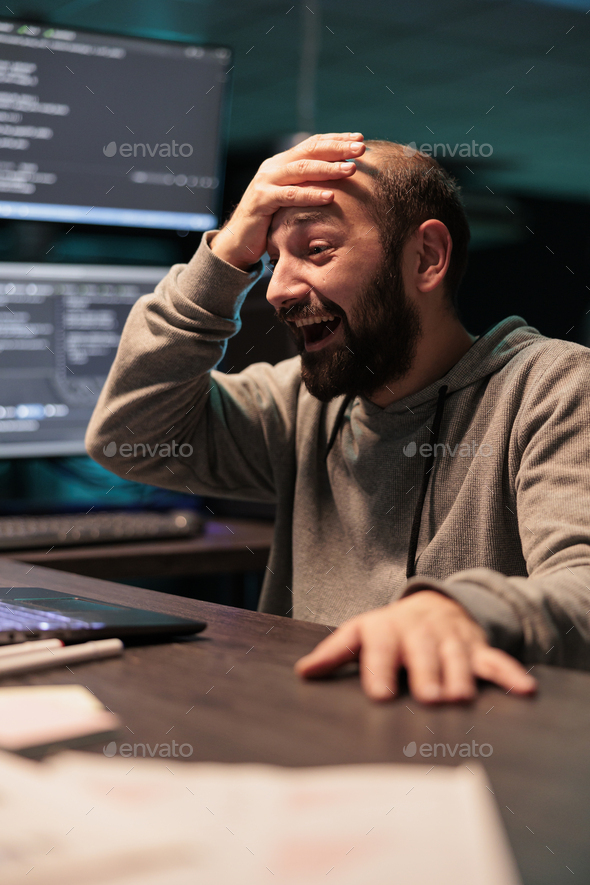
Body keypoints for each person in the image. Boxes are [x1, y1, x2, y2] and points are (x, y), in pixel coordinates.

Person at [86, 133, 590, 704]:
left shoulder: (554, 387)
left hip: (474, 752)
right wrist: (224, 259)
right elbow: (132, 440)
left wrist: (460, 609)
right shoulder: (301, 403)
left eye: (317, 249)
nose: (275, 291)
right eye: (270, 261)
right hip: (305, 734)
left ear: (426, 257)